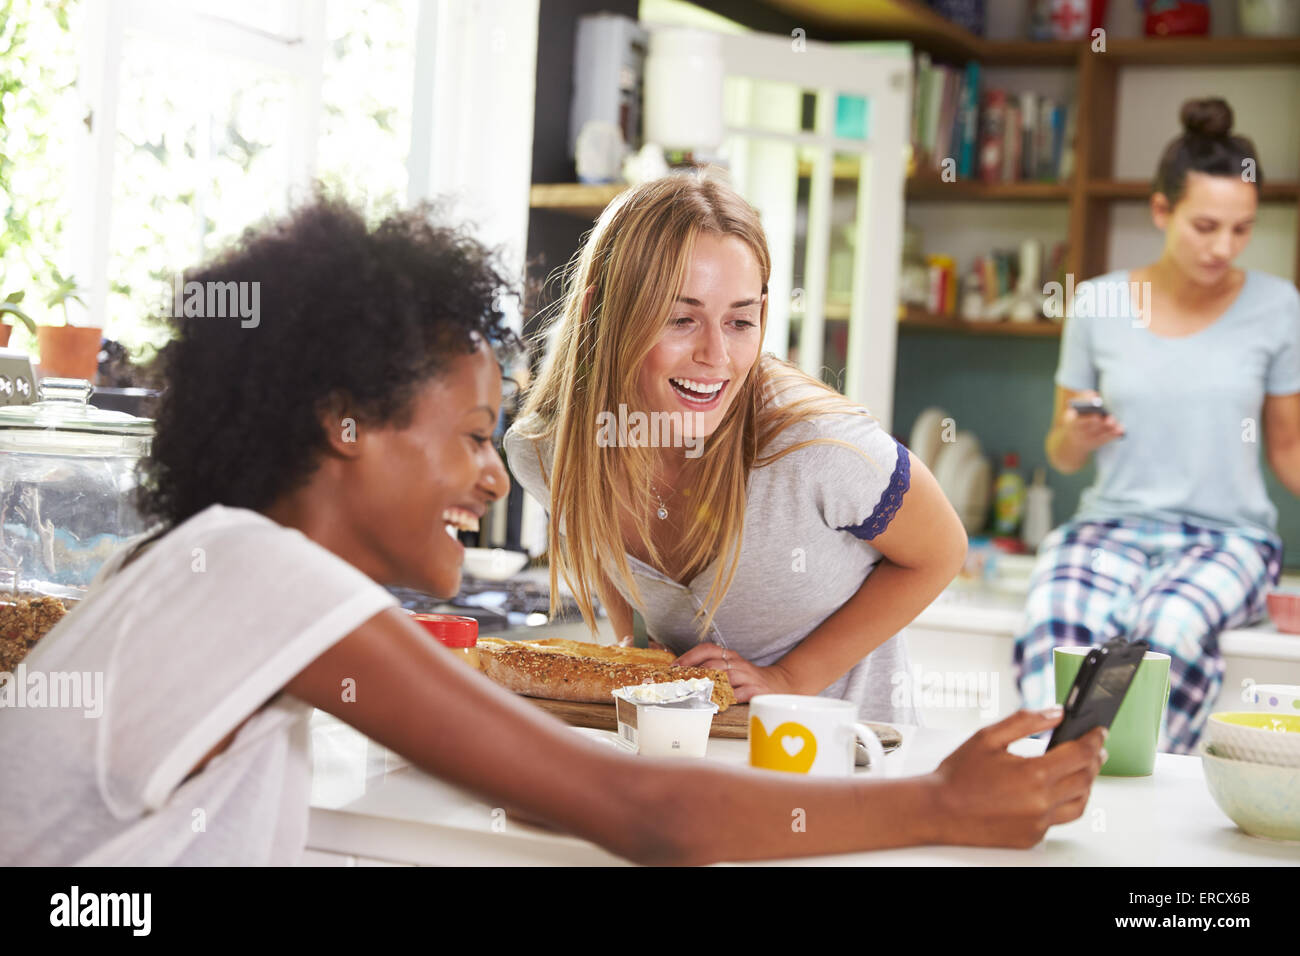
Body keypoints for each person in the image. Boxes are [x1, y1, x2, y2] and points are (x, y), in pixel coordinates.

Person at [0, 193, 1105, 866]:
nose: (494, 475)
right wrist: (939, 803)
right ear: (346, 428)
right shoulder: (266, 578)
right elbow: (642, 811)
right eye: (471, 435)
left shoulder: (201, 559)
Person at [506, 173, 961, 723]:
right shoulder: (551, 454)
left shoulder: (818, 449)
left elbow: (941, 553)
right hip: (699, 771)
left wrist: (789, 679)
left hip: (847, 770)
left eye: (740, 320)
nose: (717, 355)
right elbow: (606, 547)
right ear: (599, 311)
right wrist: (636, 647)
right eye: (681, 319)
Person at [1015, 97, 1300, 754]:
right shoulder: (1098, 304)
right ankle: (1046, 778)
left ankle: (1132, 791)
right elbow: (1060, 453)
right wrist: (1076, 436)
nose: (1222, 247)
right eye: (1205, 226)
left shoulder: (1277, 307)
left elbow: (1287, 449)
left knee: (1165, 628)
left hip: (1226, 539)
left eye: (1241, 229)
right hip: (1108, 529)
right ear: (1162, 211)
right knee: (1058, 622)